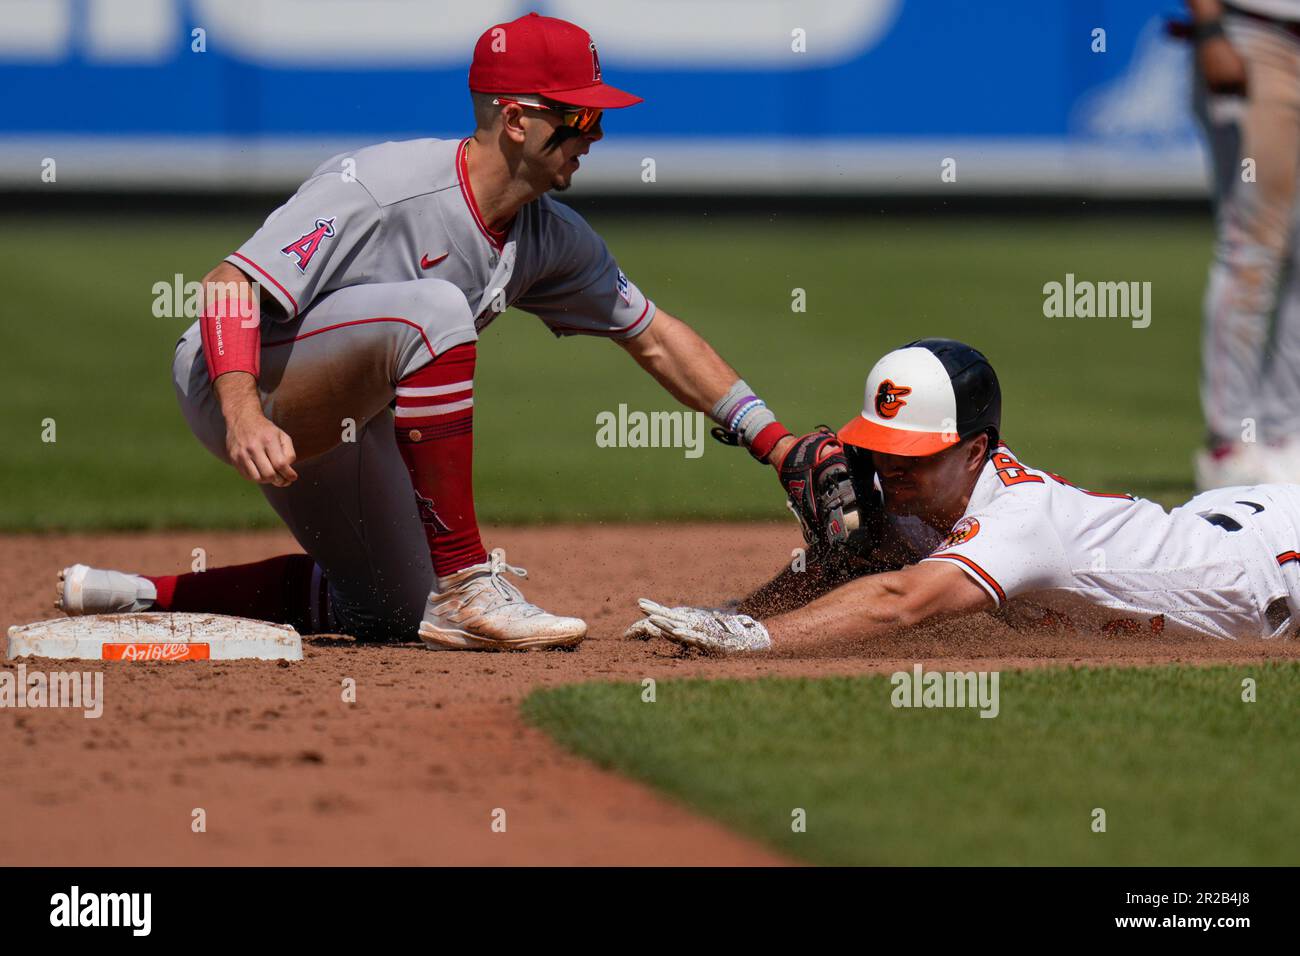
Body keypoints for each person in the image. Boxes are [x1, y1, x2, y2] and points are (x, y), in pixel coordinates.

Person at [55, 13, 799, 651]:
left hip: (336, 412)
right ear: (515, 119)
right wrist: (244, 412)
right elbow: (228, 285)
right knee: (435, 310)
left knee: (383, 610)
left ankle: (139, 595)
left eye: (599, 119)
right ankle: (469, 582)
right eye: (578, 118)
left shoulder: (550, 235)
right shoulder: (383, 187)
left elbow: (656, 337)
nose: (595, 136)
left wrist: (779, 443)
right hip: (235, 378)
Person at [628, 339, 1300, 655]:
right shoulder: (916, 499)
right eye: (880, 449)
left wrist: (753, 638)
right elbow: (851, 565)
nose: (891, 470)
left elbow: (899, 601)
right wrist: (738, 611)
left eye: (912, 456)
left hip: (1275, 558)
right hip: (1229, 523)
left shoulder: (1018, 519)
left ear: (975, 450)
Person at [1184, 0, 1300, 488]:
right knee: (1252, 248)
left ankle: (1286, 434)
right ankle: (1231, 441)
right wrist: (1209, 27)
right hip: (1256, 35)